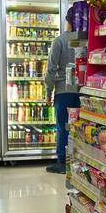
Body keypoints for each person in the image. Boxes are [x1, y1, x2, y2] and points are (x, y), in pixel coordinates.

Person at [44, 12, 81, 173]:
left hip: (63, 91)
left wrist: (48, 92)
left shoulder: (59, 41)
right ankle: (78, 161)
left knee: (62, 126)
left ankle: (62, 162)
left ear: (67, 20)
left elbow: (51, 69)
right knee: (79, 127)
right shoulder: (84, 40)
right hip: (81, 91)